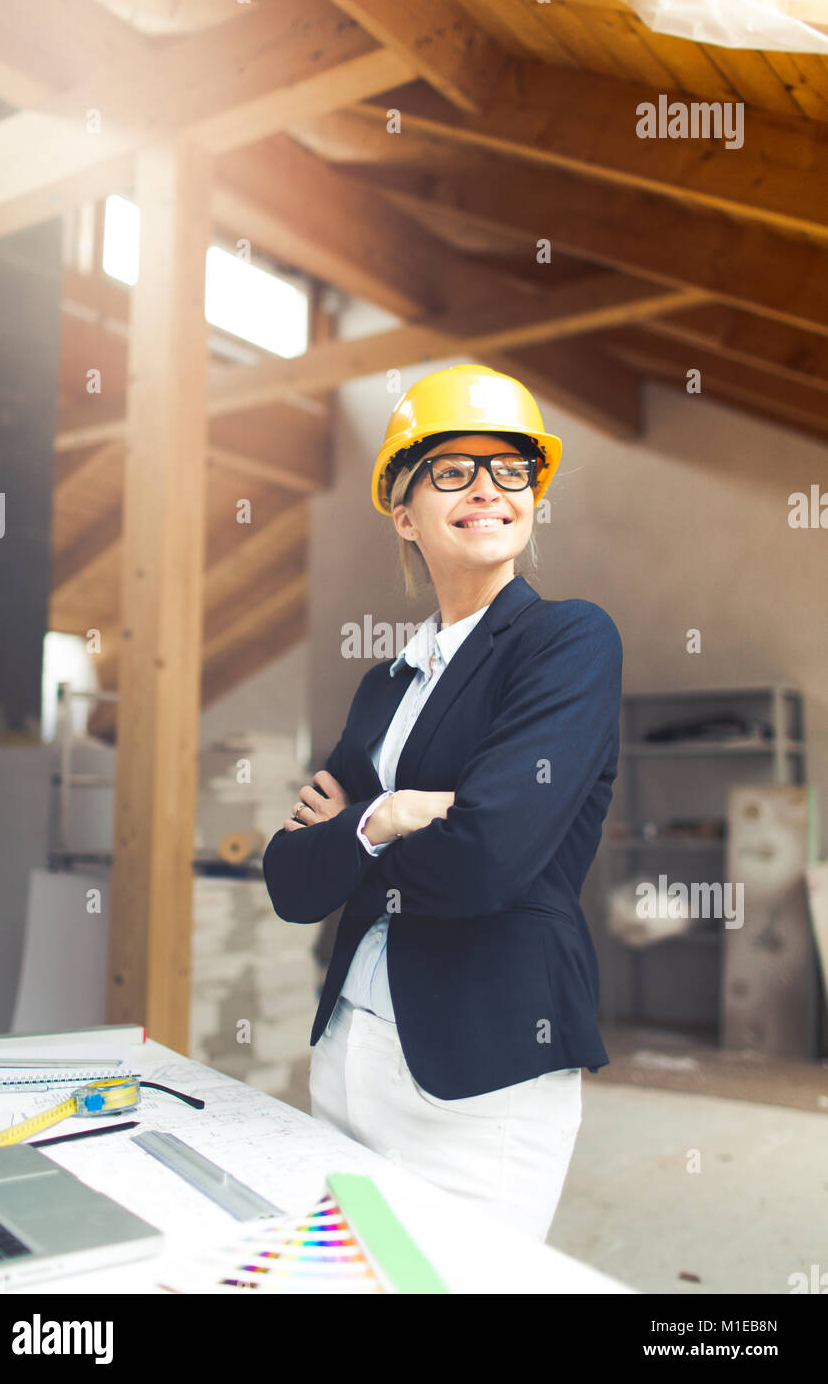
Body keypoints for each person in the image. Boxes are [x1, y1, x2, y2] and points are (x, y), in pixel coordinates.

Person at [262, 363, 623, 1242]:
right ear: (404, 510)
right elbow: (291, 882)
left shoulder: (566, 641)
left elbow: (485, 856)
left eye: (511, 470)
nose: (488, 490)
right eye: (453, 472)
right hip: (348, 1049)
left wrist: (352, 834)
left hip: (481, 1064)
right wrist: (386, 816)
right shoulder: (385, 686)